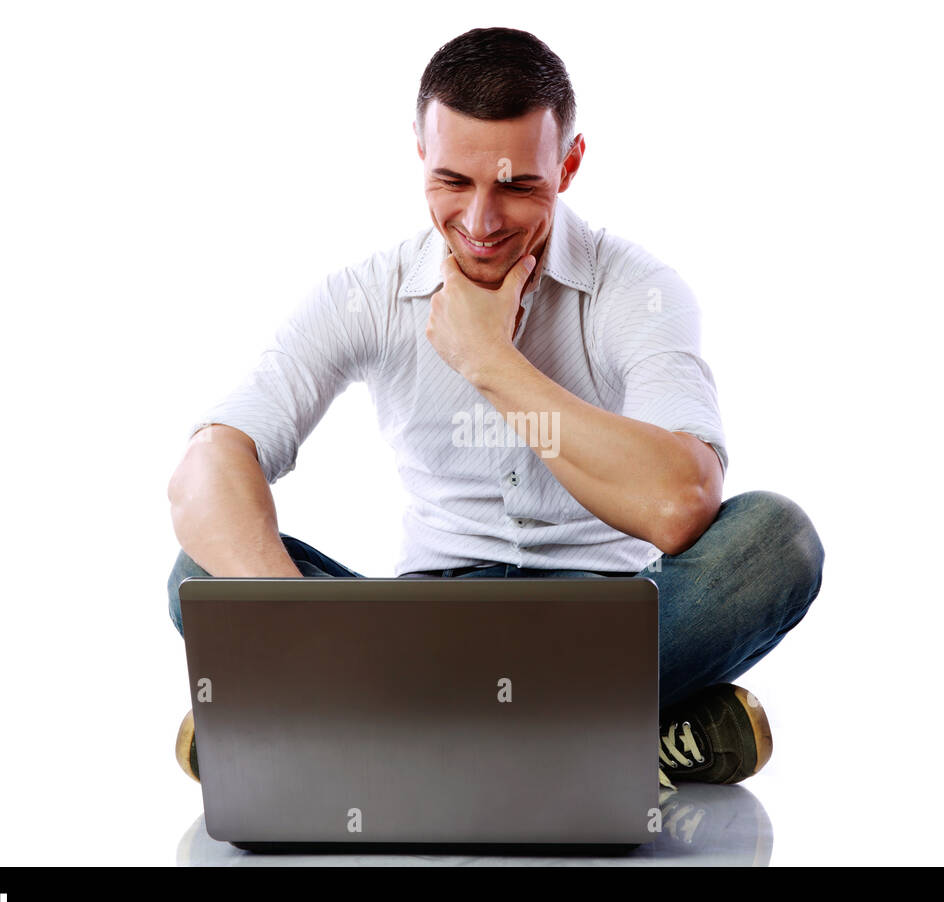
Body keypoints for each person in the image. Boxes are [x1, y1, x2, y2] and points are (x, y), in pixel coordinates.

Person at [166, 27, 824, 791]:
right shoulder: (366, 294)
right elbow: (205, 466)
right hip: (416, 630)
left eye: (517, 186)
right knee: (200, 572)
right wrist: (302, 633)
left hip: (608, 622)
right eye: (453, 181)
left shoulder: (639, 291)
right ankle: (612, 734)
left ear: (569, 163)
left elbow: (678, 505)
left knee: (777, 543)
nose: (481, 222)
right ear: (420, 154)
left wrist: (489, 361)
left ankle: (358, 738)